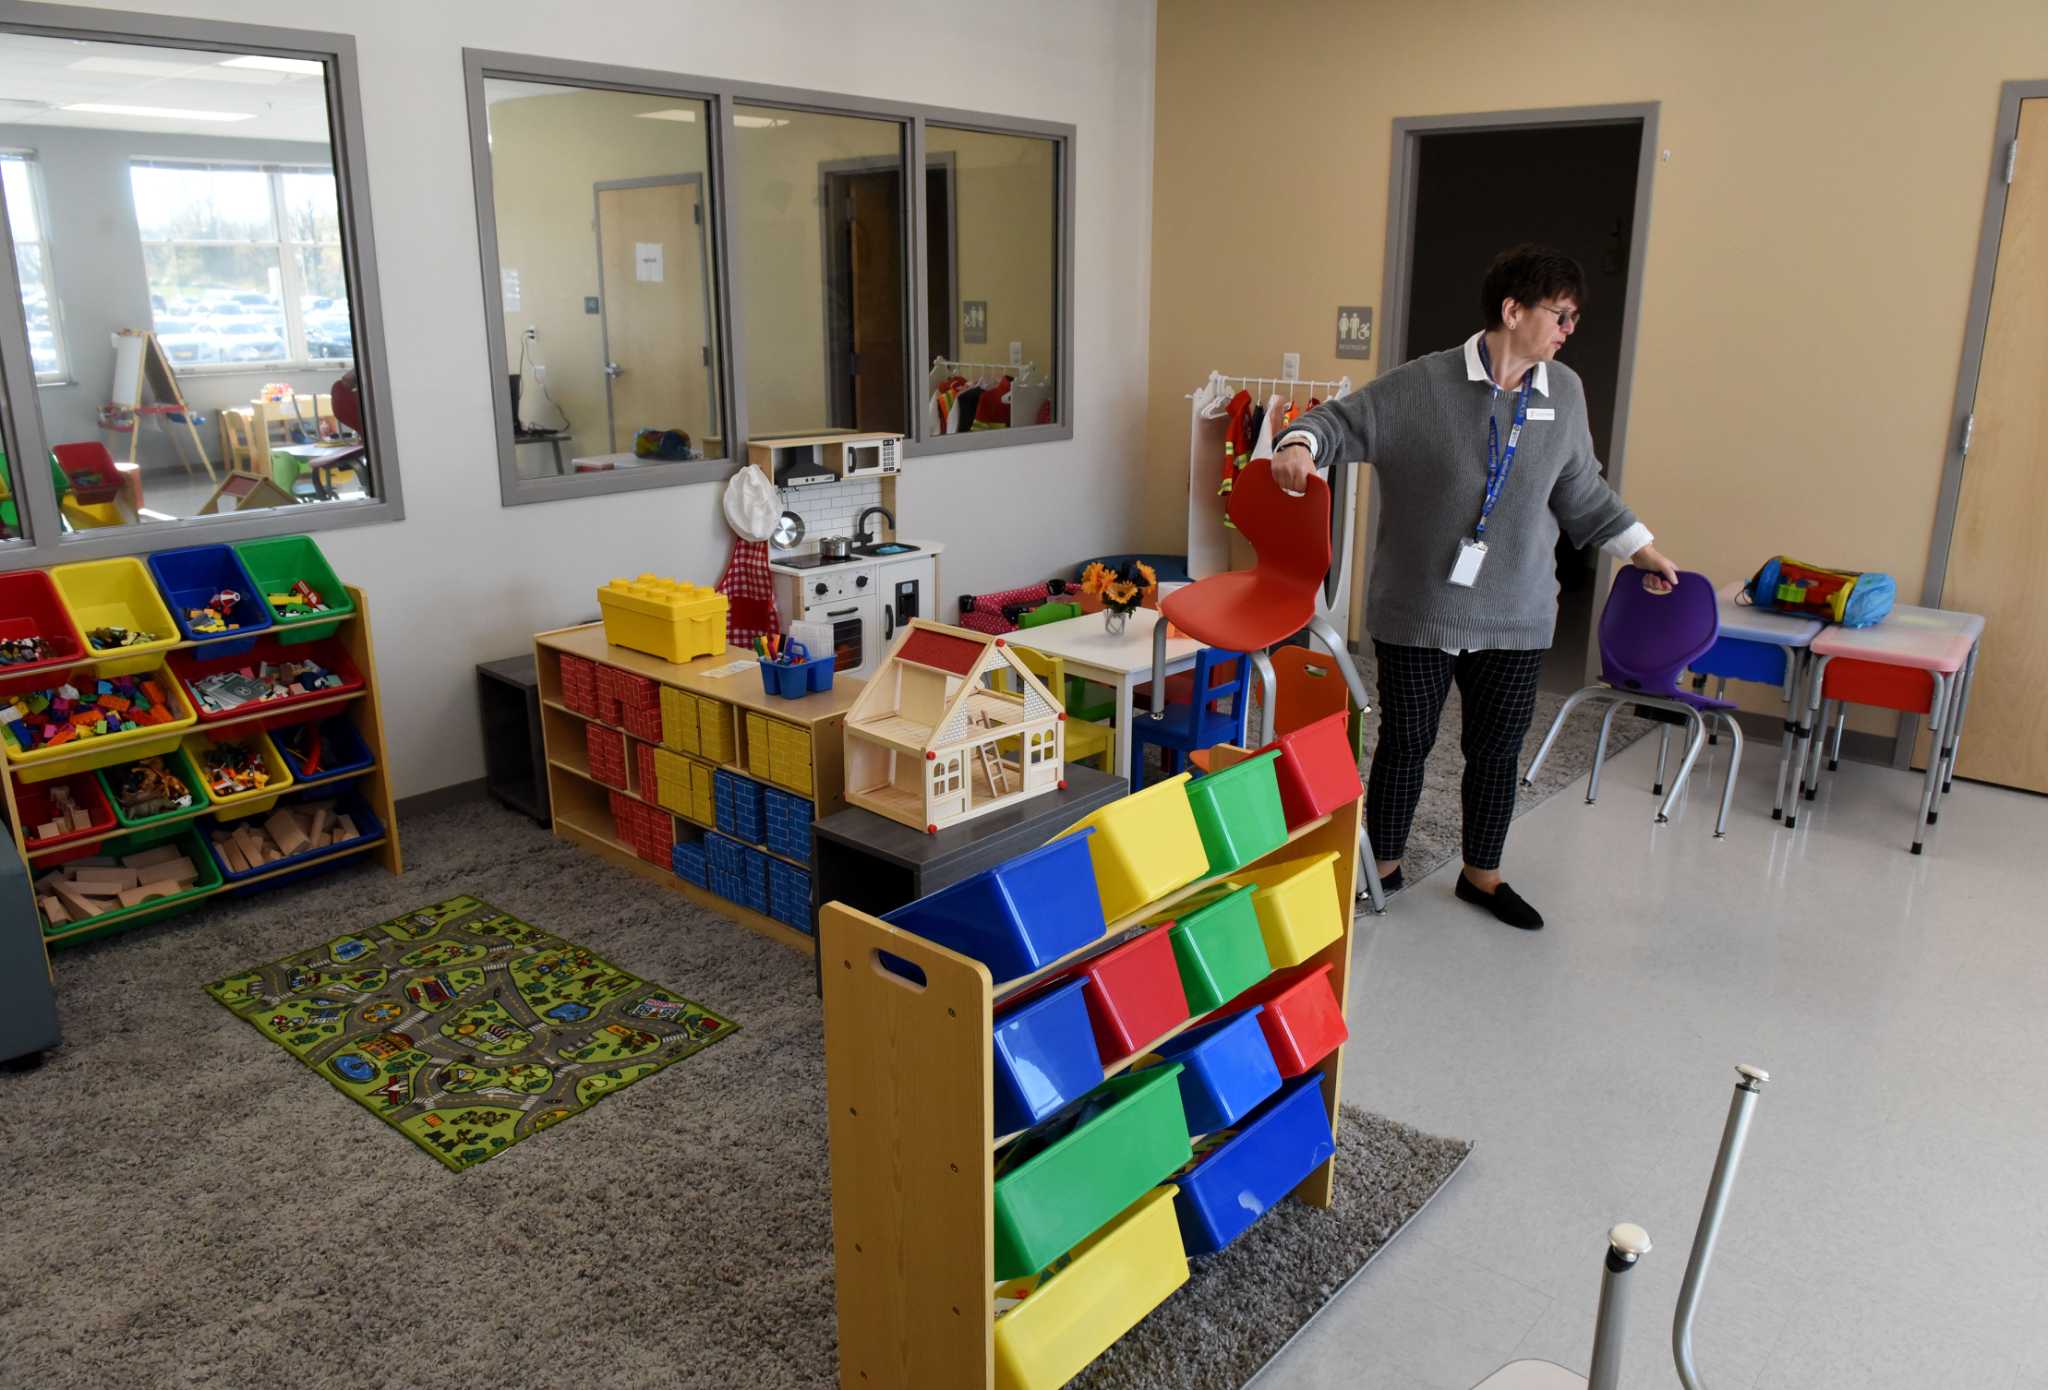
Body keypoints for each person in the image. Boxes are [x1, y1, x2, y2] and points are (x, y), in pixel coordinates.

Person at [1273, 243, 1676, 931]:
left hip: (1517, 611)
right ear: (1512, 310)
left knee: (1497, 749)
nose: (1568, 330)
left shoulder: (1565, 392)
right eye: (1560, 314)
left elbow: (1581, 486)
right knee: (1406, 741)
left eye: (1575, 317)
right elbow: (1341, 422)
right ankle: (1387, 867)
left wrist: (1641, 550)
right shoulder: (1422, 385)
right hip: (1420, 605)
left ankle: (1481, 875)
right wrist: (1298, 445)